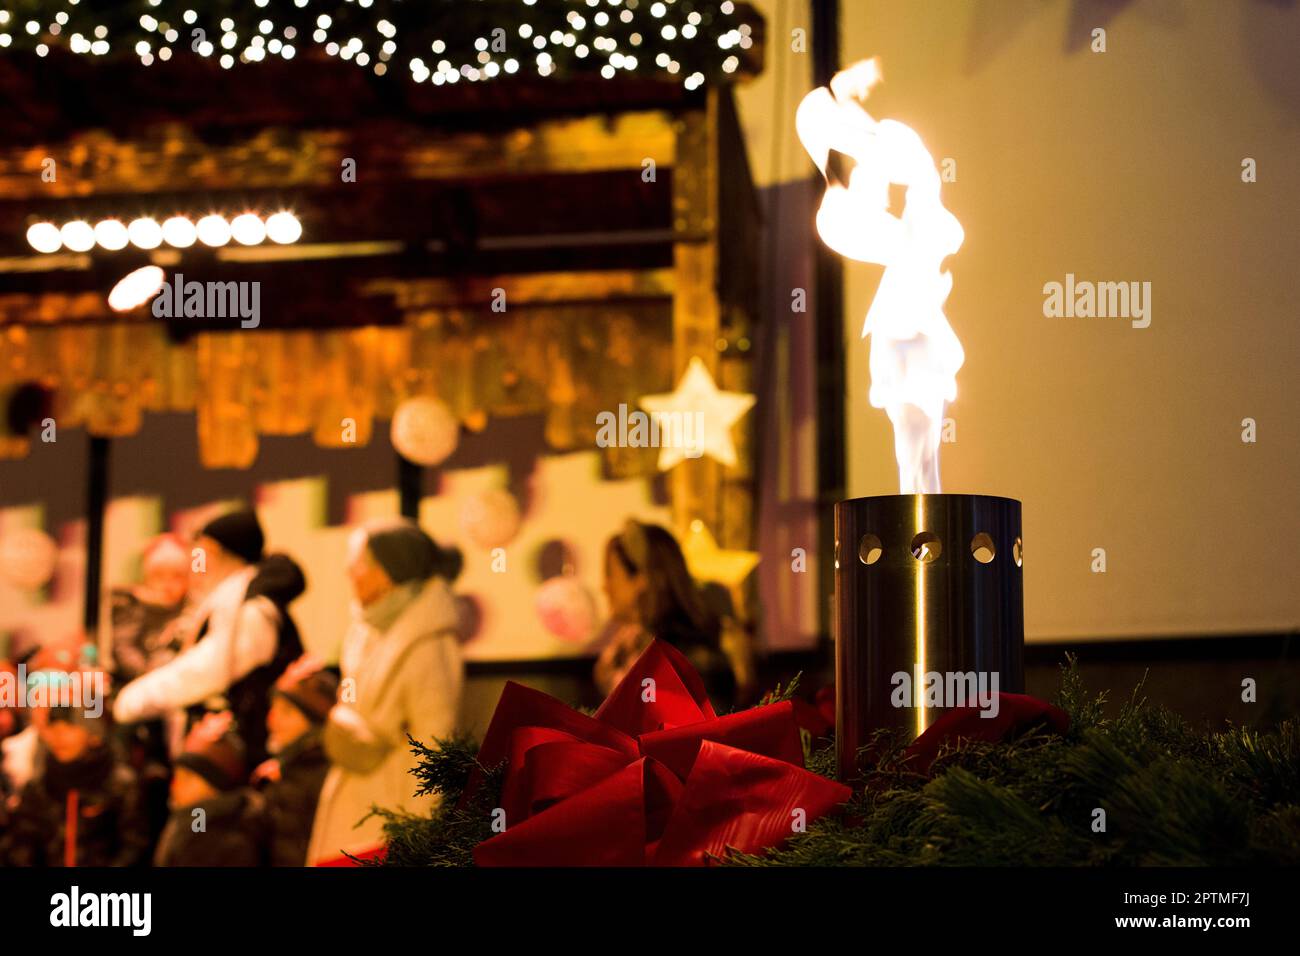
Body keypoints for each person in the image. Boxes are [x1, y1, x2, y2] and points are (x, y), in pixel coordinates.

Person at [307, 519, 464, 865]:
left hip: (389, 828)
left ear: (388, 572)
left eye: (360, 562)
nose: (350, 571)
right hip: (357, 818)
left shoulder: (427, 644)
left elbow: (434, 751)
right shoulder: (368, 633)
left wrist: (417, 844)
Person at [113, 510, 306, 766]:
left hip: (248, 745)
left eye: (201, 553)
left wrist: (135, 699)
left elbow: (212, 669)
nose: (196, 564)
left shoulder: (251, 605)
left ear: (215, 551)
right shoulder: (230, 595)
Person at [0, 668, 149, 868]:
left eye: (70, 726)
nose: (59, 735)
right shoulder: (39, 787)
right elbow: (21, 847)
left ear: (94, 736)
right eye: (53, 726)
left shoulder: (121, 786)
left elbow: (135, 848)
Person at [593, 520, 736, 706]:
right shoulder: (623, 654)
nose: (605, 587)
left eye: (610, 574)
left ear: (641, 579)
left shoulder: (686, 661)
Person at [251, 657, 336, 866]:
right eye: (273, 708)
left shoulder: (320, 775)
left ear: (315, 721)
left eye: (286, 712)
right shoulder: (288, 768)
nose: (272, 720)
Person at [153, 711, 267, 866]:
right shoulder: (196, 820)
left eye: (187, 778)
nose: (176, 786)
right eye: (176, 776)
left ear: (215, 785)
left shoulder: (215, 836)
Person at [108, 533, 190, 685]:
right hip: (142, 684)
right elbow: (123, 647)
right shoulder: (134, 605)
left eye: (176, 576)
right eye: (159, 576)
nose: (168, 584)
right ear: (147, 577)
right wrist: (147, 673)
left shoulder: (191, 608)